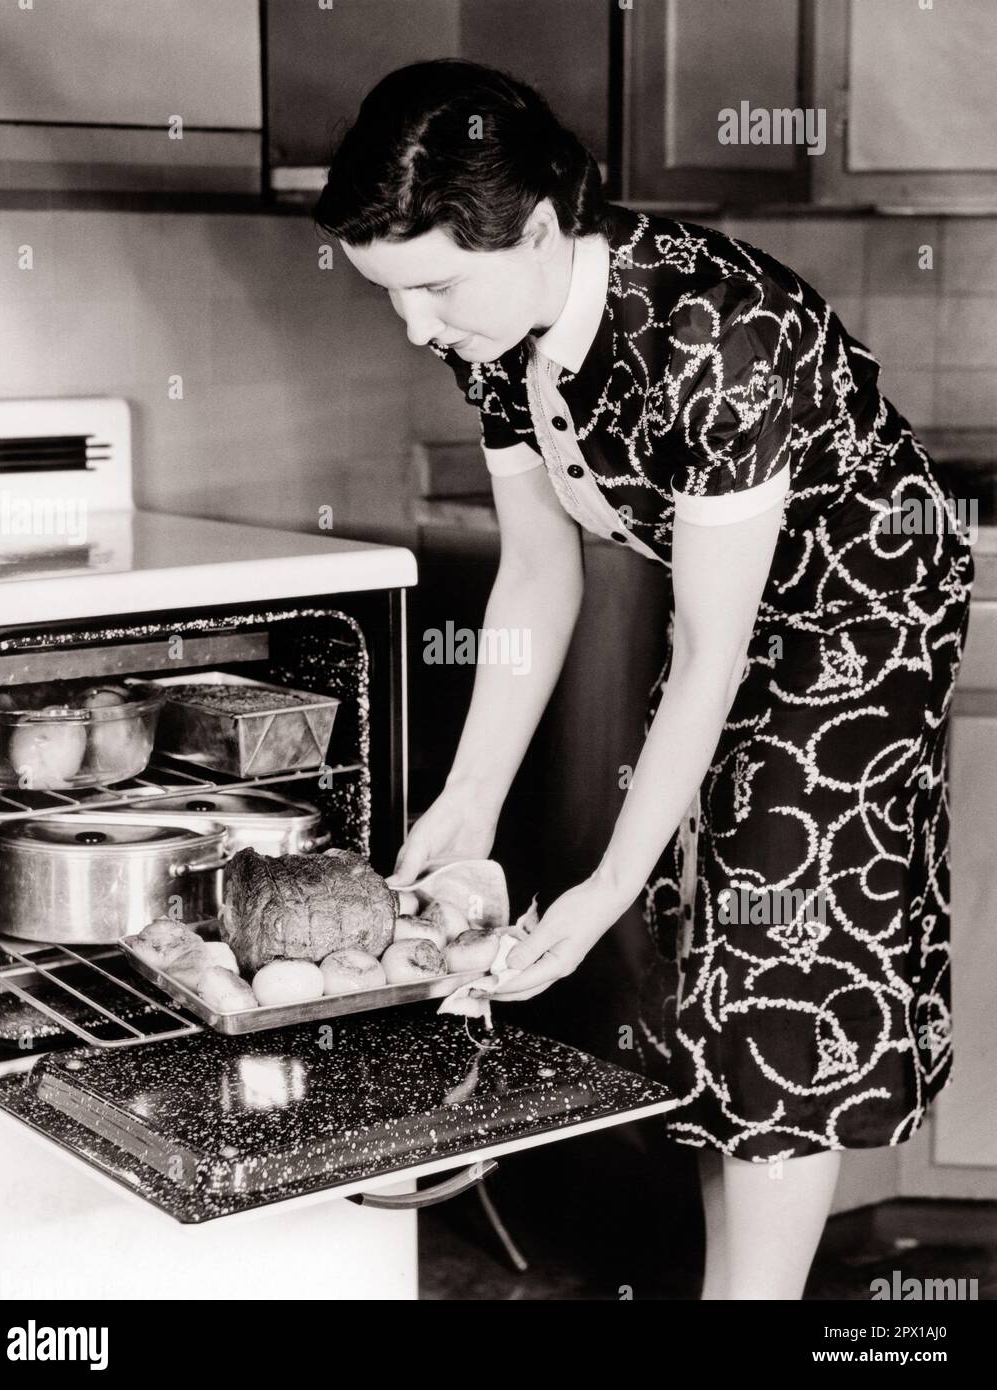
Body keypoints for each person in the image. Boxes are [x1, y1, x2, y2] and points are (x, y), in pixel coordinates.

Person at [313, 59, 975, 1300]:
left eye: (433, 285)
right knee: (712, 949)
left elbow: (718, 653)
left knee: (784, 942)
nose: (414, 325)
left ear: (542, 227)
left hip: (852, 606)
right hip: (718, 605)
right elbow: (536, 581)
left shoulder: (710, 336)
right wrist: (467, 805)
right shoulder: (492, 327)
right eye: (391, 293)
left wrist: (609, 883)